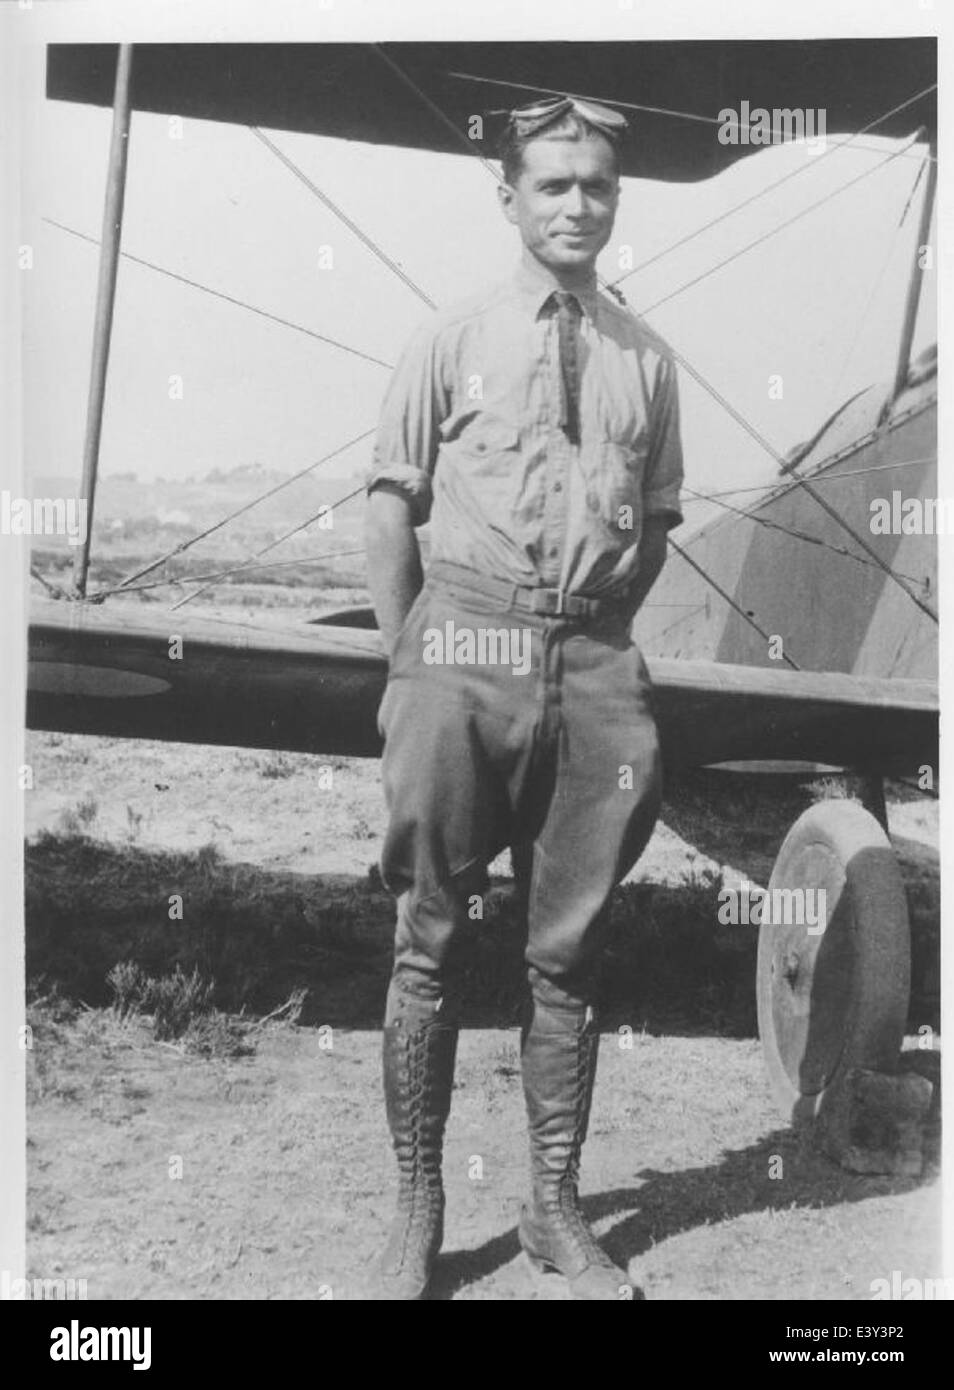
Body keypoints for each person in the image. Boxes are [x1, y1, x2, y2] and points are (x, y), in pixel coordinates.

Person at [364, 94, 684, 1300]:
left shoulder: (648, 361)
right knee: (430, 942)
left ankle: (554, 1211)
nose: (576, 205)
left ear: (616, 201)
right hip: (462, 646)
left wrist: (588, 641)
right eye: (551, 184)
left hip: (593, 662)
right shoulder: (447, 341)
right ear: (509, 197)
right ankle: (415, 1215)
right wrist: (415, 659)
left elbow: (653, 526)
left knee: (571, 954)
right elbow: (391, 503)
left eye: (596, 185)